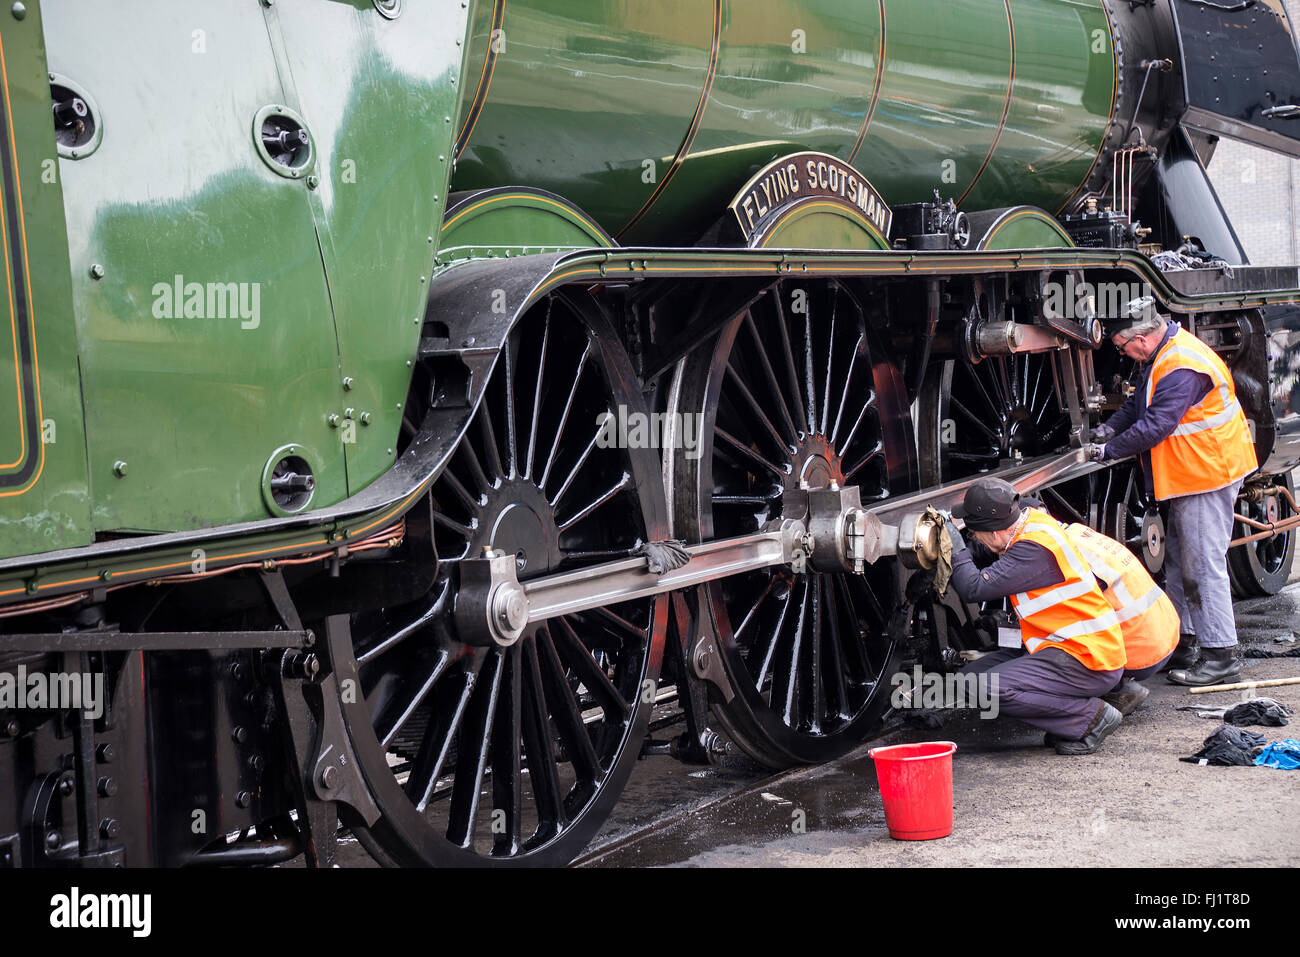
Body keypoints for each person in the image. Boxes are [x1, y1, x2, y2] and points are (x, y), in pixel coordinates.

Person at [1091, 299, 1257, 686]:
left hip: (1207, 474)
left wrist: (1109, 451)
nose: (1122, 353)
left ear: (1142, 339)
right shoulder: (1162, 355)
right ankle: (1182, 643)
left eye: (1122, 346)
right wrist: (1108, 431)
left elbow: (1156, 425)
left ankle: (1221, 656)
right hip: (1191, 475)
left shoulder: (1182, 364)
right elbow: (1137, 407)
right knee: (1182, 563)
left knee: (1202, 566)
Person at [947, 478, 1128, 755]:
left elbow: (975, 587)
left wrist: (957, 550)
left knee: (989, 689)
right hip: (1059, 645)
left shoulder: (1035, 550)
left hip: (1088, 656)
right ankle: (1066, 720)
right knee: (969, 680)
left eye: (974, 533)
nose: (973, 537)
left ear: (995, 533)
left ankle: (1089, 718)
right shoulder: (1030, 525)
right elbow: (989, 553)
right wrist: (968, 547)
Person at [1062, 522, 1180, 714]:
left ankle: (1116, 690)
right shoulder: (1079, 532)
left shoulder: (1066, 554)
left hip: (1142, 653)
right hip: (1167, 634)